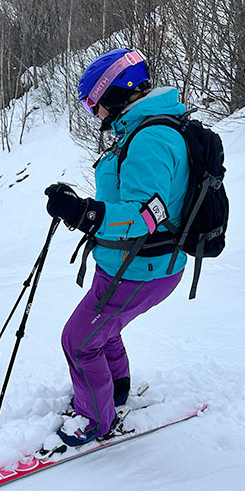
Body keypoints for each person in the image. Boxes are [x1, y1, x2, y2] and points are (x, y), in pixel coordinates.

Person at [44, 48, 190, 447]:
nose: (95, 114)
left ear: (113, 94)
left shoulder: (152, 138)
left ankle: (94, 421)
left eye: (93, 104)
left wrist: (83, 215)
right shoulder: (142, 129)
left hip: (141, 269)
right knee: (104, 330)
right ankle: (117, 389)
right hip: (130, 266)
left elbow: (146, 213)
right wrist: (83, 206)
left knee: (78, 341)